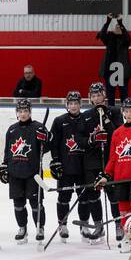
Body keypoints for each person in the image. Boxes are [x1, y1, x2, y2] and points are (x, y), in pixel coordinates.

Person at [95, 97, 131, 230]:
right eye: (126, 111)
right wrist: (107, 174)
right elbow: (113, 158)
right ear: (123, 112)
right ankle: (128, 236)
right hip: (120, 178)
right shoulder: (117, 133)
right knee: (123, 210)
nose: (129, 114)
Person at [0, 99, 51, 243]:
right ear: (17, 113)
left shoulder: (38, 127)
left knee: (36, 203)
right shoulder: (12, 129)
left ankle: (40, 227)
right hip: (15, 172)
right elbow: (7, 151)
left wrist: (45, 139)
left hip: (33, 173)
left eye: (26, 111)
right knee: (18, 203)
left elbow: (47, 147)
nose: (23, 114)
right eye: (20, 111)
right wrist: (4, 166)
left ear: (30, 112)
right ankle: (22, 228)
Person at [78, 81, 122, 238]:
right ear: (90, 98)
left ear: (104, 95)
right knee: (93, 195)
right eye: (94, 95)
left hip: (110, 160)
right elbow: (79, 140)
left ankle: (118, 224)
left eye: (99, 94)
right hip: (91, 161)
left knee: (113, 194)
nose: (97, 98)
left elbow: (120, 134)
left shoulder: (114, 112)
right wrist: (91, 140)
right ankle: (99, 225)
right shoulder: (85, 116)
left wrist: (107, 120)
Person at [48, 92, 90, 242]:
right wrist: (56, 161)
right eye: (70, 103)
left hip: (82, 167)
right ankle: (63, 225)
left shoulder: (86, 119)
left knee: (84, 197)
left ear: (80, 104)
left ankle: (84, 225)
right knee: (63, 198)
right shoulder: (59, 121)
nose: (73, 106)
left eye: (76, 103)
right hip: (65, 167)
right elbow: (54, 144)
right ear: (67, 104)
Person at [96, 14, 131, 105]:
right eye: (116, 26)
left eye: (120, 27)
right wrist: (108, 21)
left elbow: (127, 37)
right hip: (110, 70)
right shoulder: (109, 39)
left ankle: (125, 113)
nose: (117, 28)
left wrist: (120, 22)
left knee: (124, 95)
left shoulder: (125, 41)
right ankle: (111, 113)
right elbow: (102, 34)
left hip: (122, 71)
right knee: (110, 96)